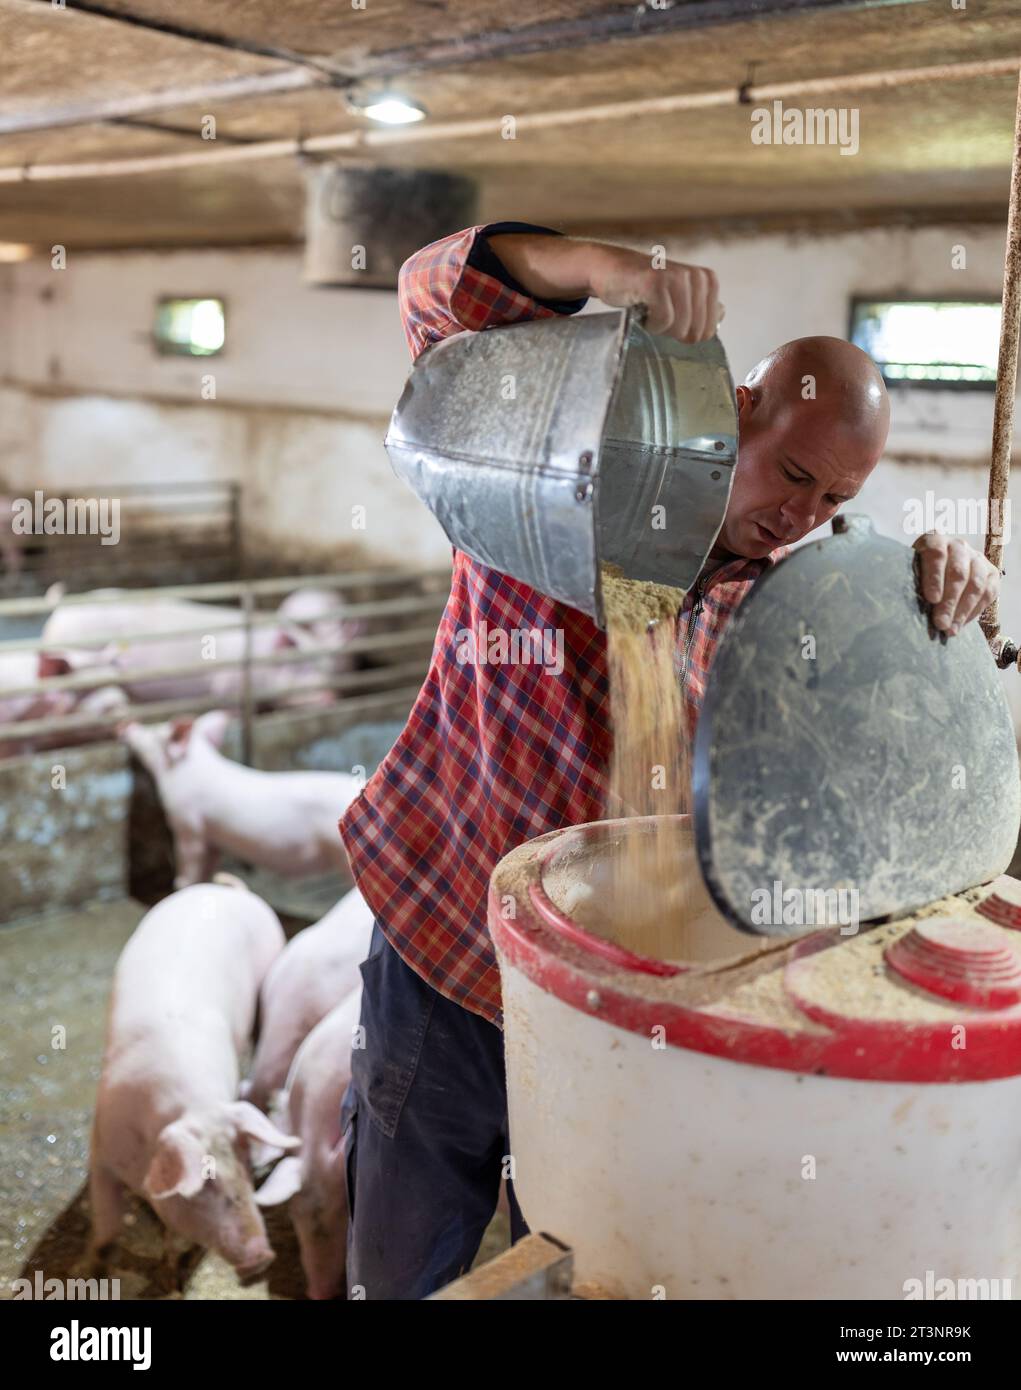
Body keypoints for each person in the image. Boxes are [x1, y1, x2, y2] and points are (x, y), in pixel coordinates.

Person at [338, 221, 1000, 1299]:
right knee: (407, 1261)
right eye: (789, 472)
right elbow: (438, 295)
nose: (798, 513)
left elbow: (878, 757)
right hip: (447, 951)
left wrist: (934, 595)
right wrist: (612, 273)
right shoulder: (557, 478)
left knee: (568, 1257)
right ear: (735, 406)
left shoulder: (793, 597)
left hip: (605, 1004)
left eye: (834, 500)